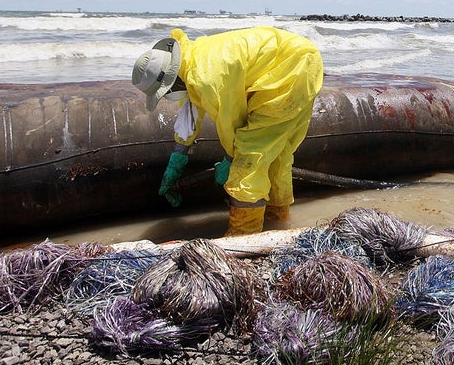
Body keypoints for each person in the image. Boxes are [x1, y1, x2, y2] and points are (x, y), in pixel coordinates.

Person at [131, 26, 324, 236]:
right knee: (275, 152)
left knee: (248, 159)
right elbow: (190, 114)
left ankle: (244, 235)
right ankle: (276, 219)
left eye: (166, 92)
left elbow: (233, 124)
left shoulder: (206, 78)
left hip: (291, 69)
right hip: (295, 60)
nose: (170, 94)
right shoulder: (192, 60)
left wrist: (230, 160)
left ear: (172, 81)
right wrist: (177, 160)